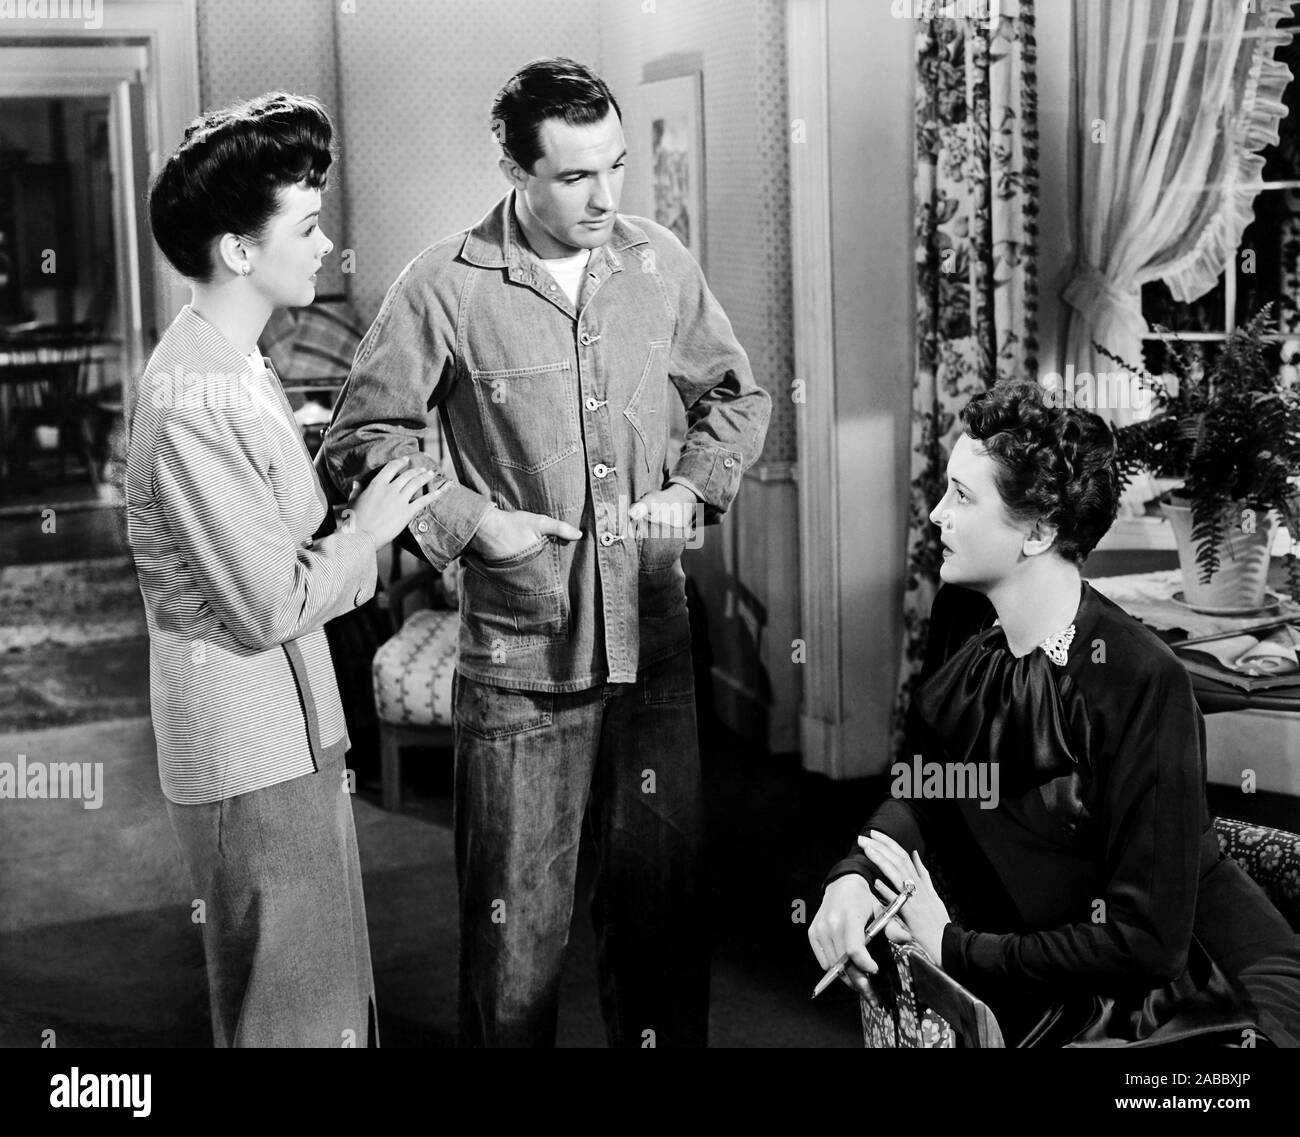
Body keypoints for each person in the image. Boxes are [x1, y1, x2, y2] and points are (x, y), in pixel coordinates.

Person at [321, 57, 771, 1047]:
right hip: (523, 668)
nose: (605, 196)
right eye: (574, 177)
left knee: (660, 925)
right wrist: (470, 521)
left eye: (615, 167)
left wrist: (692, 487)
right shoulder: (441, 285)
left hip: (652, 651)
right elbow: (362, 440)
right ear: (514, 170)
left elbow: (736, 399)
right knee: (515, 941)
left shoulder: (660, 262)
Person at [809, 380, 1300, 1047]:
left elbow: (1152, 942)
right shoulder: (970, 646)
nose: (935, 516)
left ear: (1037, 531)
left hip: (1205, 987)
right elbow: (928, 794)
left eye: (961, 496)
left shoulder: (1143, 679)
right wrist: (853, 875)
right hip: (1067, 966)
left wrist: (955, 947)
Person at [128, 92, 437, 1047]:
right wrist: (372, 528)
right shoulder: (190, 398)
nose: (324, 242)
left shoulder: (238, 362)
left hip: (296, 728)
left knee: (323, 989)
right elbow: (270, 605)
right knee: (286, 1009)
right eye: (305, 225)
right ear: (237, 250)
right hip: (244, 743)